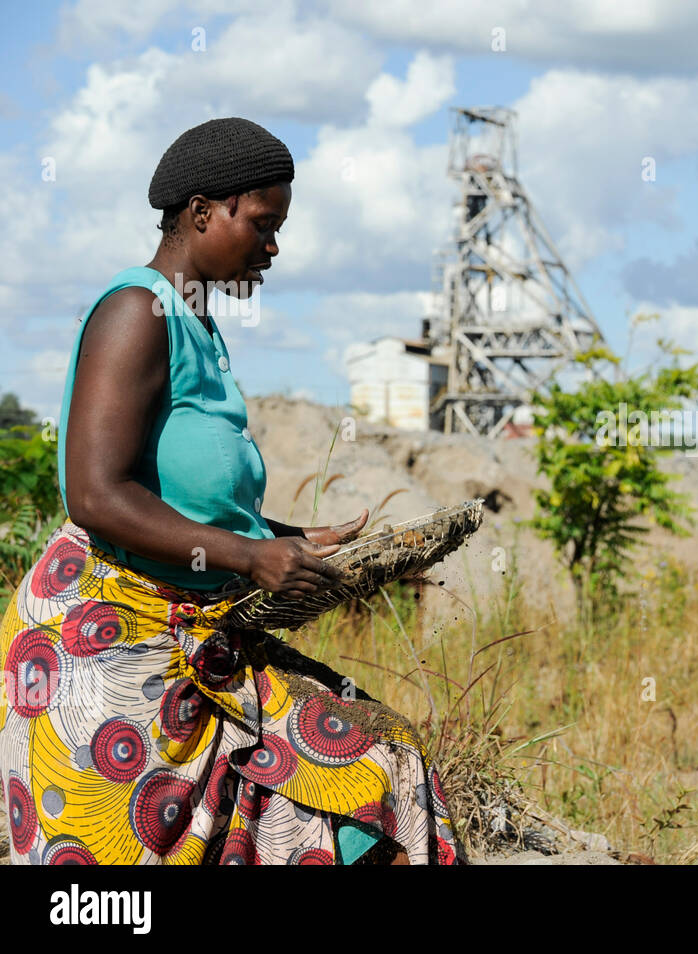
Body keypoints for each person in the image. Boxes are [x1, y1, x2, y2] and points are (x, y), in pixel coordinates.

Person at [0, 118, 459, 865]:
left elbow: (186, 499)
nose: (273, 248)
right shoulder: (134, 313)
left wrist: (283, 538)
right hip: (107, 648)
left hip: (197, 632)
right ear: (203, 211)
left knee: (383, 761)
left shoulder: (198, 325)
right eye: (265, 224)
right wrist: (248, 556)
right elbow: (96, 494)